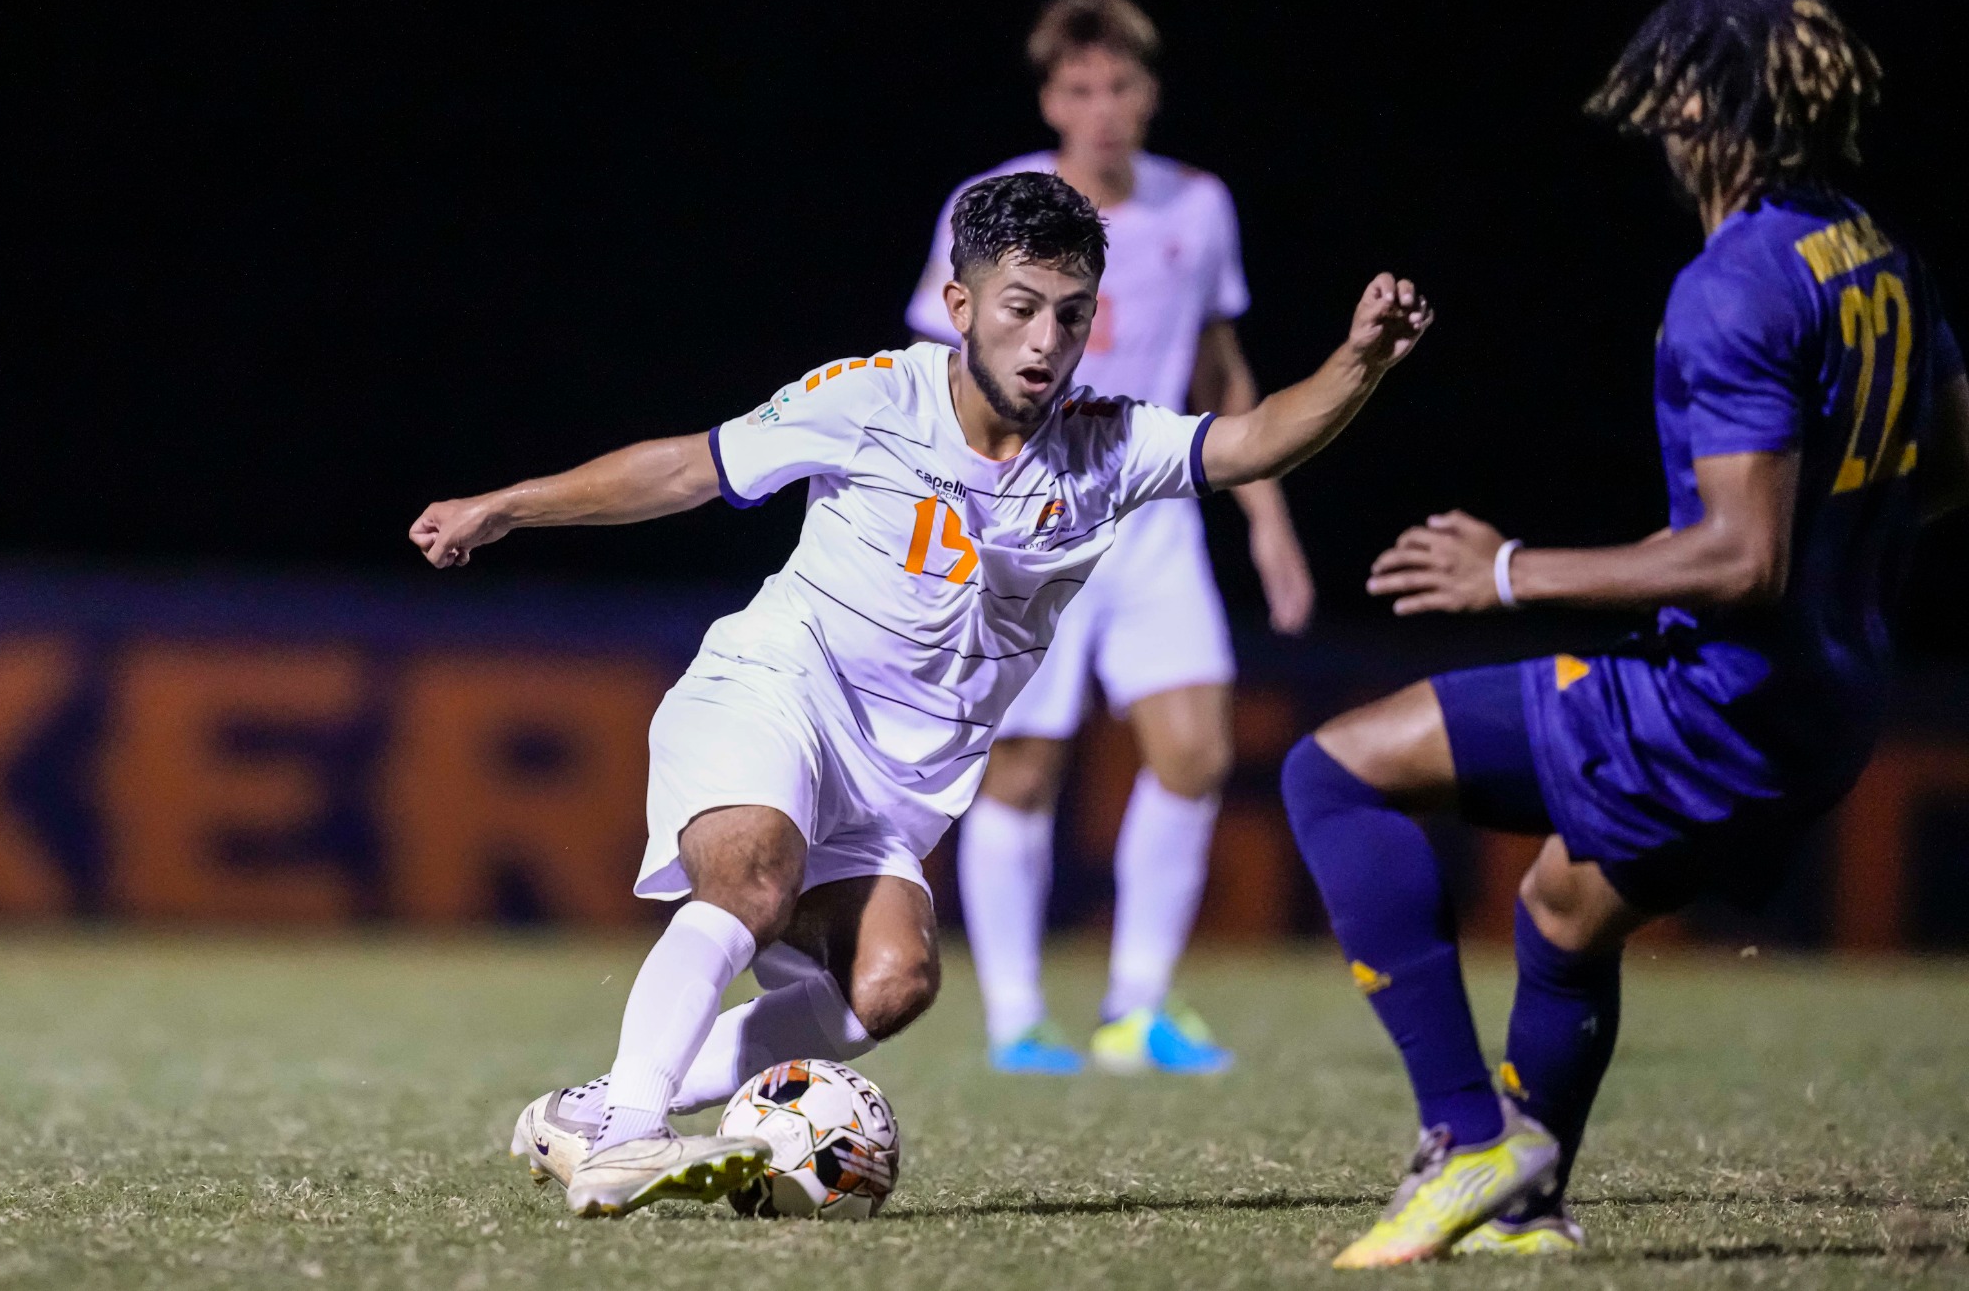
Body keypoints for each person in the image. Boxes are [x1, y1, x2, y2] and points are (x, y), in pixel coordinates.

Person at [412, 172, 1431, 1216]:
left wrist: (1357, 364)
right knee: (753, 877)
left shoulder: (1102, 444)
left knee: (890, 982)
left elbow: (1255, 437)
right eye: (1020, 308)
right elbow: (686, 468)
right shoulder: (873, 399)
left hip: (895, 782)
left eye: (1071, 315)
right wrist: (508, 506)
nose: (1045, 341)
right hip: (773, 691)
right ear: (960, 308)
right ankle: (629, 1133)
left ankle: (599, 1103)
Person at [1278, 0, 1969, 1268]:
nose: (1658, 127)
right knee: (1563, 906)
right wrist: (1840, 566)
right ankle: (1528, 1210)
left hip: (1713, 700)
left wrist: (1509, 571)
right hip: (1833, 701)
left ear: (1711, 108)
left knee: (1332, 770)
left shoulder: (1735, 286)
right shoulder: (1882, 251)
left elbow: (1739, 559)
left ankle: (1465, 1140)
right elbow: (1949, 470)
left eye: (1672, 101)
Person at [908, 0, 1314, 1077]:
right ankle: (1016, 1020)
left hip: (1152, 509)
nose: (1101, 108)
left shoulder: (1195, 207)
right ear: (1049, 97)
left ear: (1148, 93)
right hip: (1026, 512)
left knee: (1194, 749)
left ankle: (1136, 1007)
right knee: (1023, 770)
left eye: (1120, 86)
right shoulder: (994, 204)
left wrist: (1266, 516)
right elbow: (938, 369)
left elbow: (1219, 367)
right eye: (1078, 88)